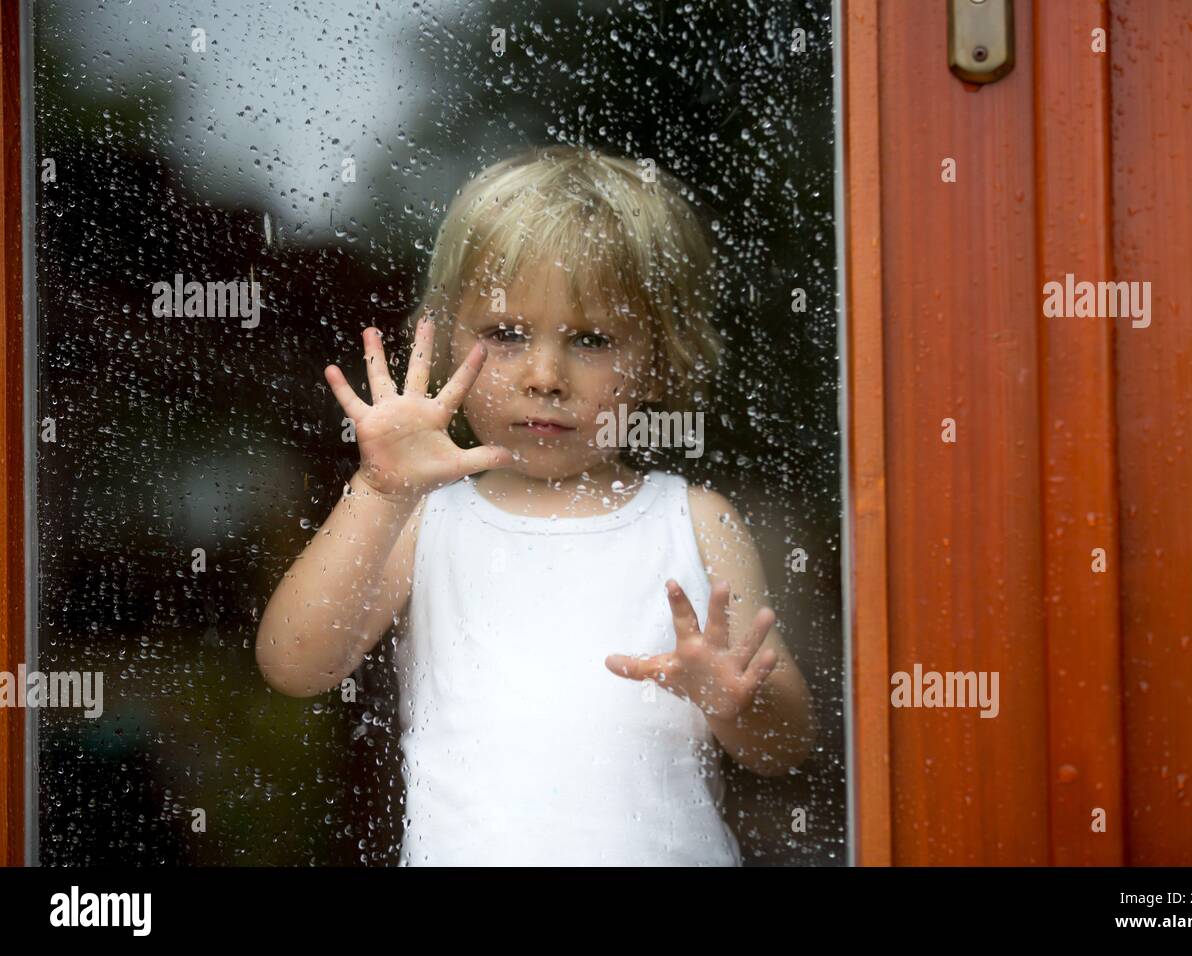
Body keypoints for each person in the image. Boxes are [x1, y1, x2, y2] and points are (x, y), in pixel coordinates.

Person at [256, 144, 815, 865]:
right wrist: (379, 491)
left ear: (660, 357)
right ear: (445, 337)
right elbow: (294, 665)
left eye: (590, 339)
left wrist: (735, 700)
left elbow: (787, 747)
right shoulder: (424, 518)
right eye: (507, 334)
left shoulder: (697, 521)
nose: (545, 376)